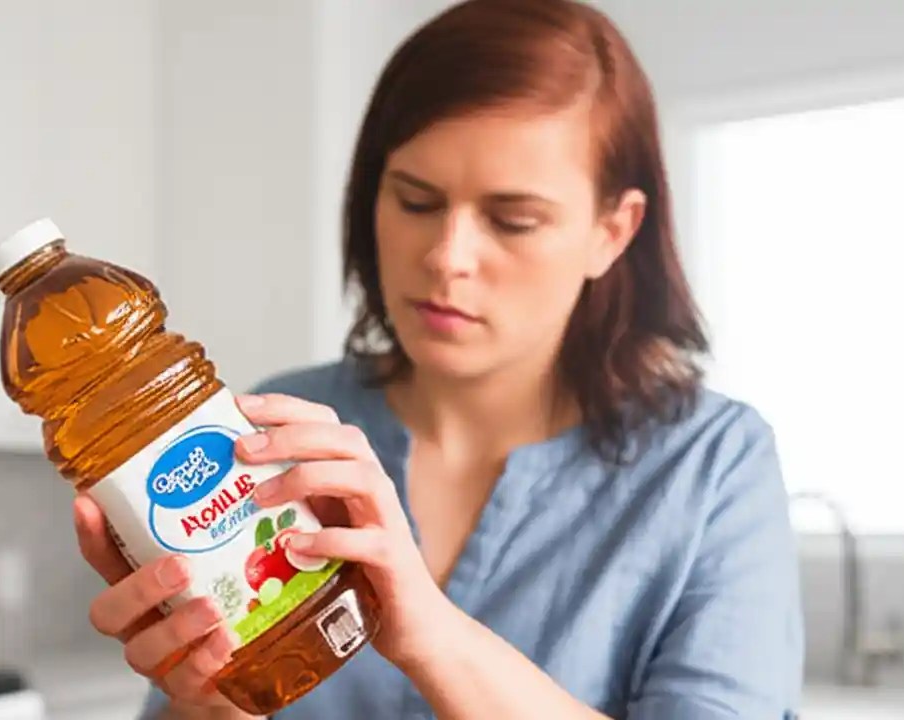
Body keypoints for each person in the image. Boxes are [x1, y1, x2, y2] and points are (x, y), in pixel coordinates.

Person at [71, 0, 804, 717]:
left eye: (512, 220)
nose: (447, 257)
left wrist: (434, 635)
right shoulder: (276, 429)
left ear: (612, 231)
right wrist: (208, 700)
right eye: (416, 201)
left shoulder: (715, 464)